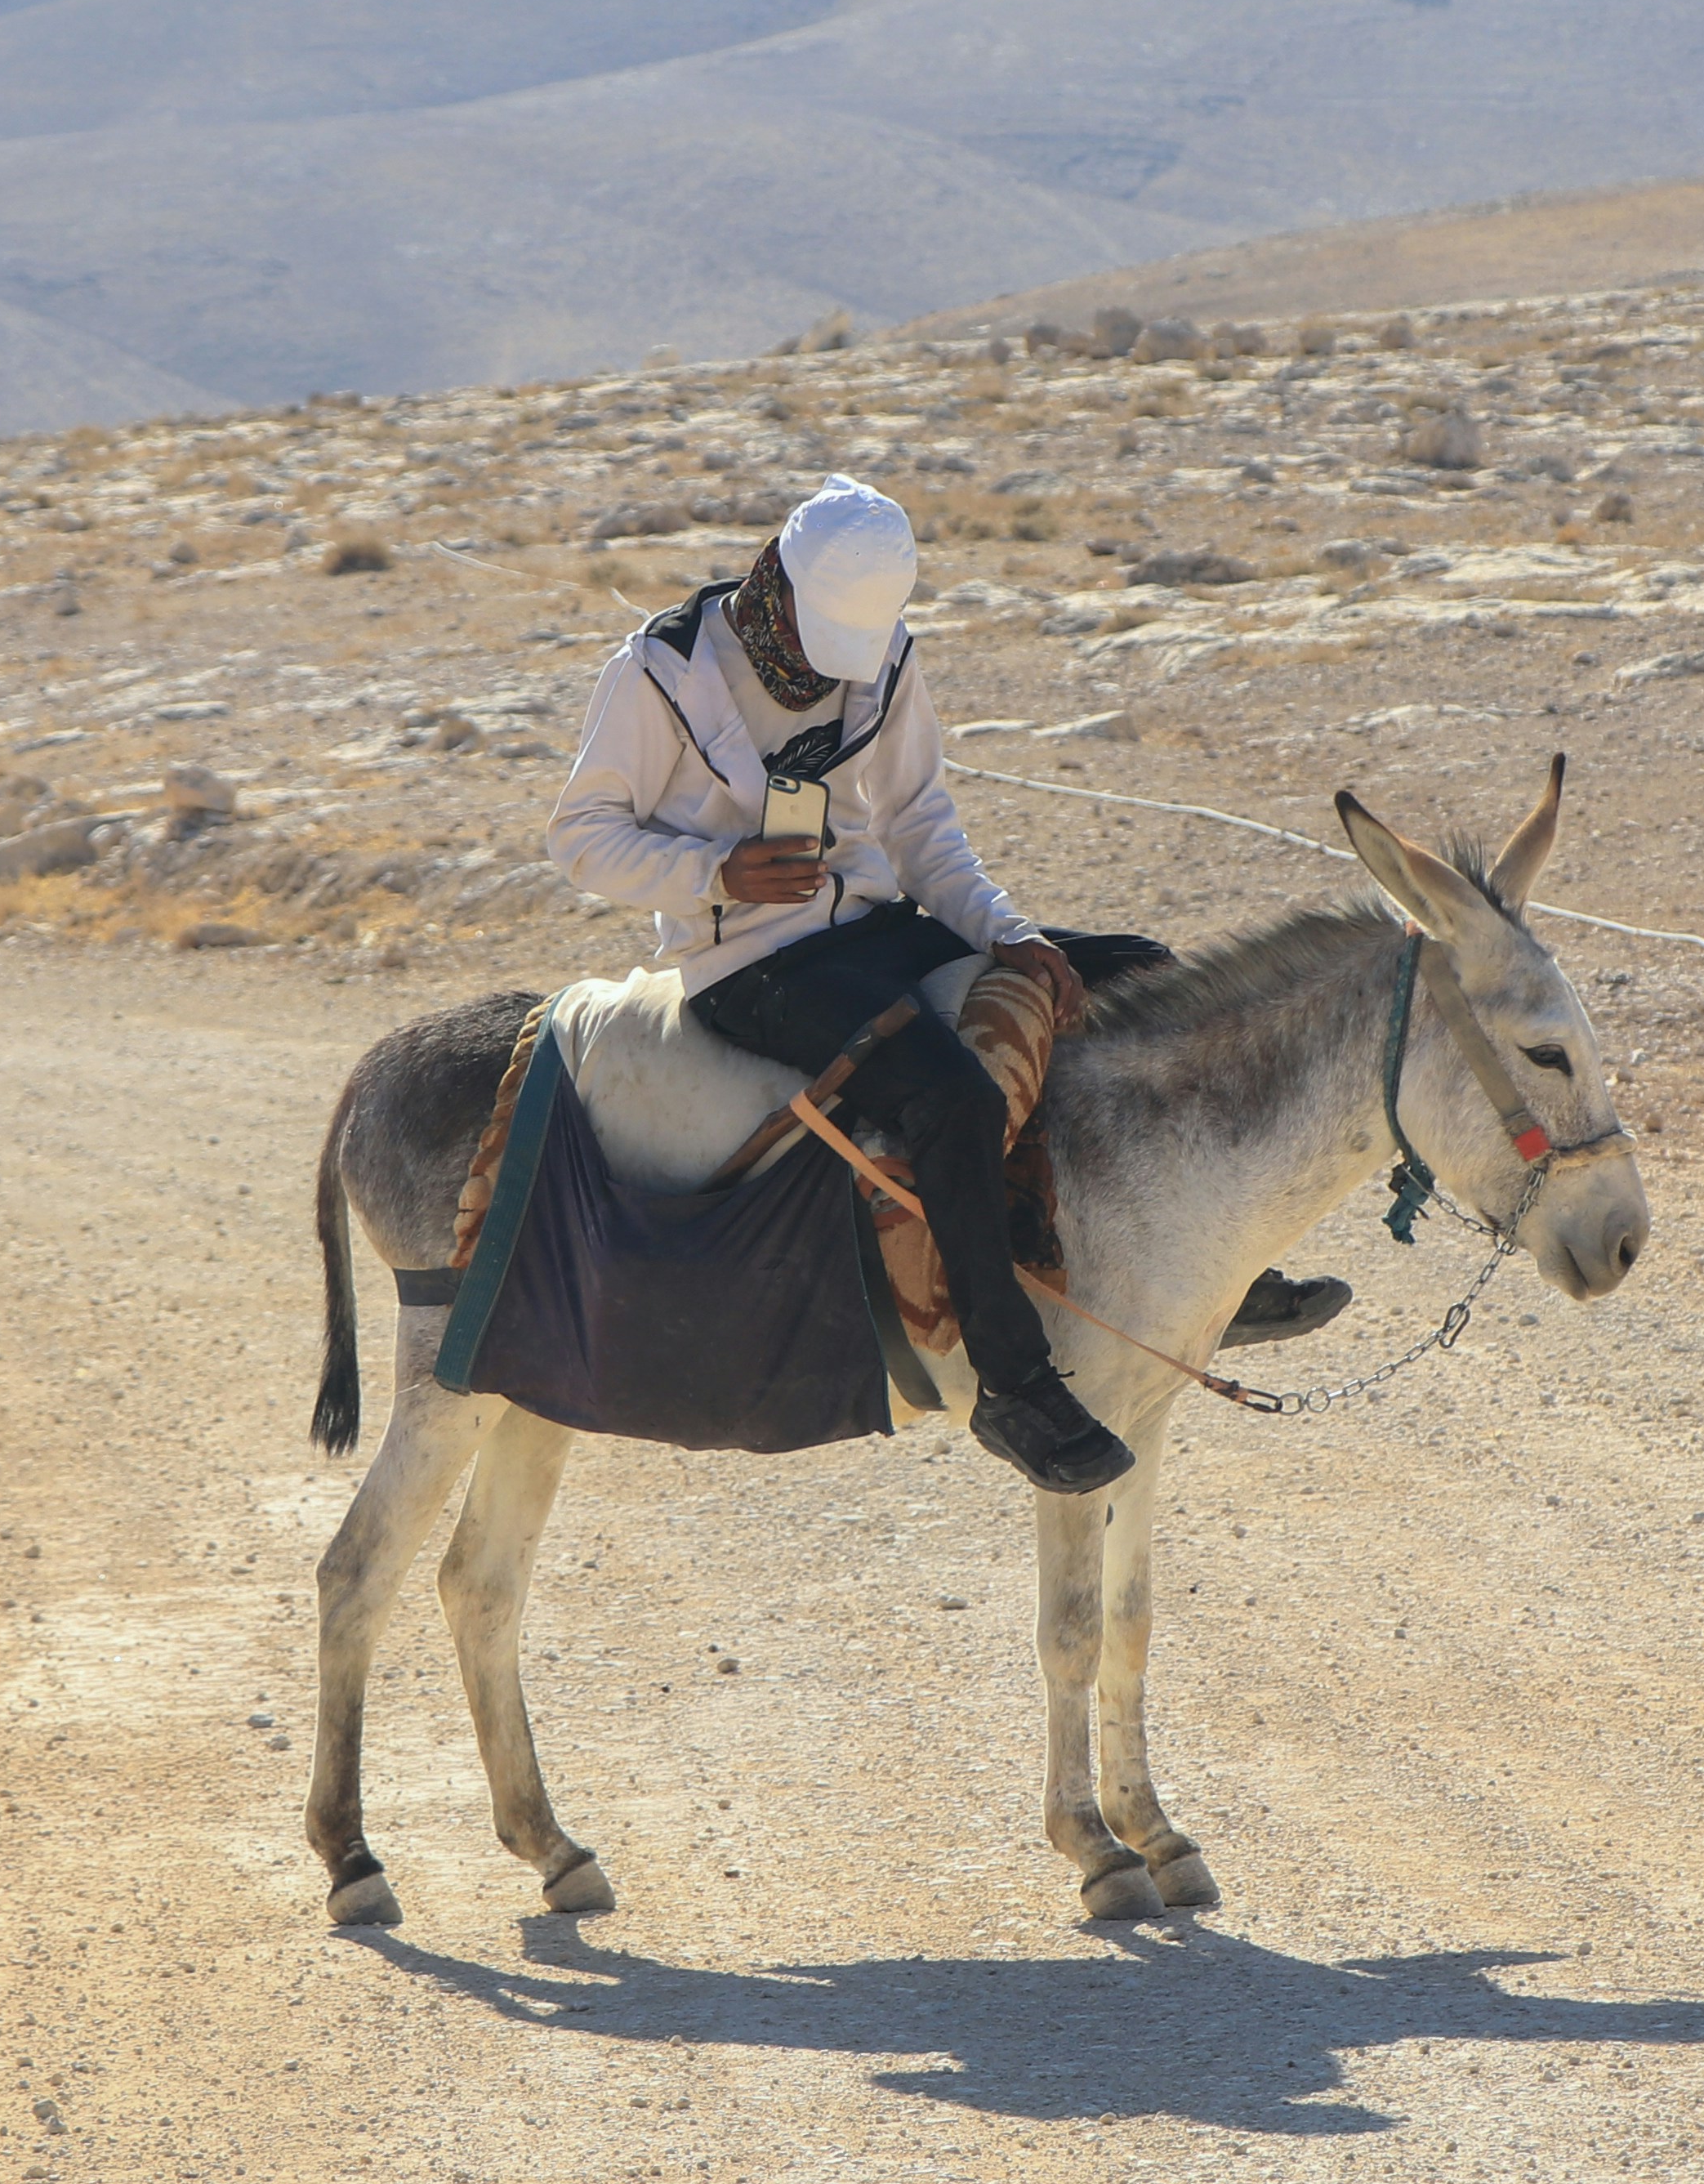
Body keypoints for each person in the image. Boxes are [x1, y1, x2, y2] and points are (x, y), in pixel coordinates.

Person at [546, 474, 1343, 1496]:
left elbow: (920, 825)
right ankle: (1013, 1384)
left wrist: (1012, 936)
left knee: (1140, 969)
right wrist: (715, 873)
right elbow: (581, 837)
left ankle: (1213, 1282)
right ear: (776, 584)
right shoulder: (657, 671)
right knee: (949, 1097)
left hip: (873, 927)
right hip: (747, 963)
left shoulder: (886, 655)